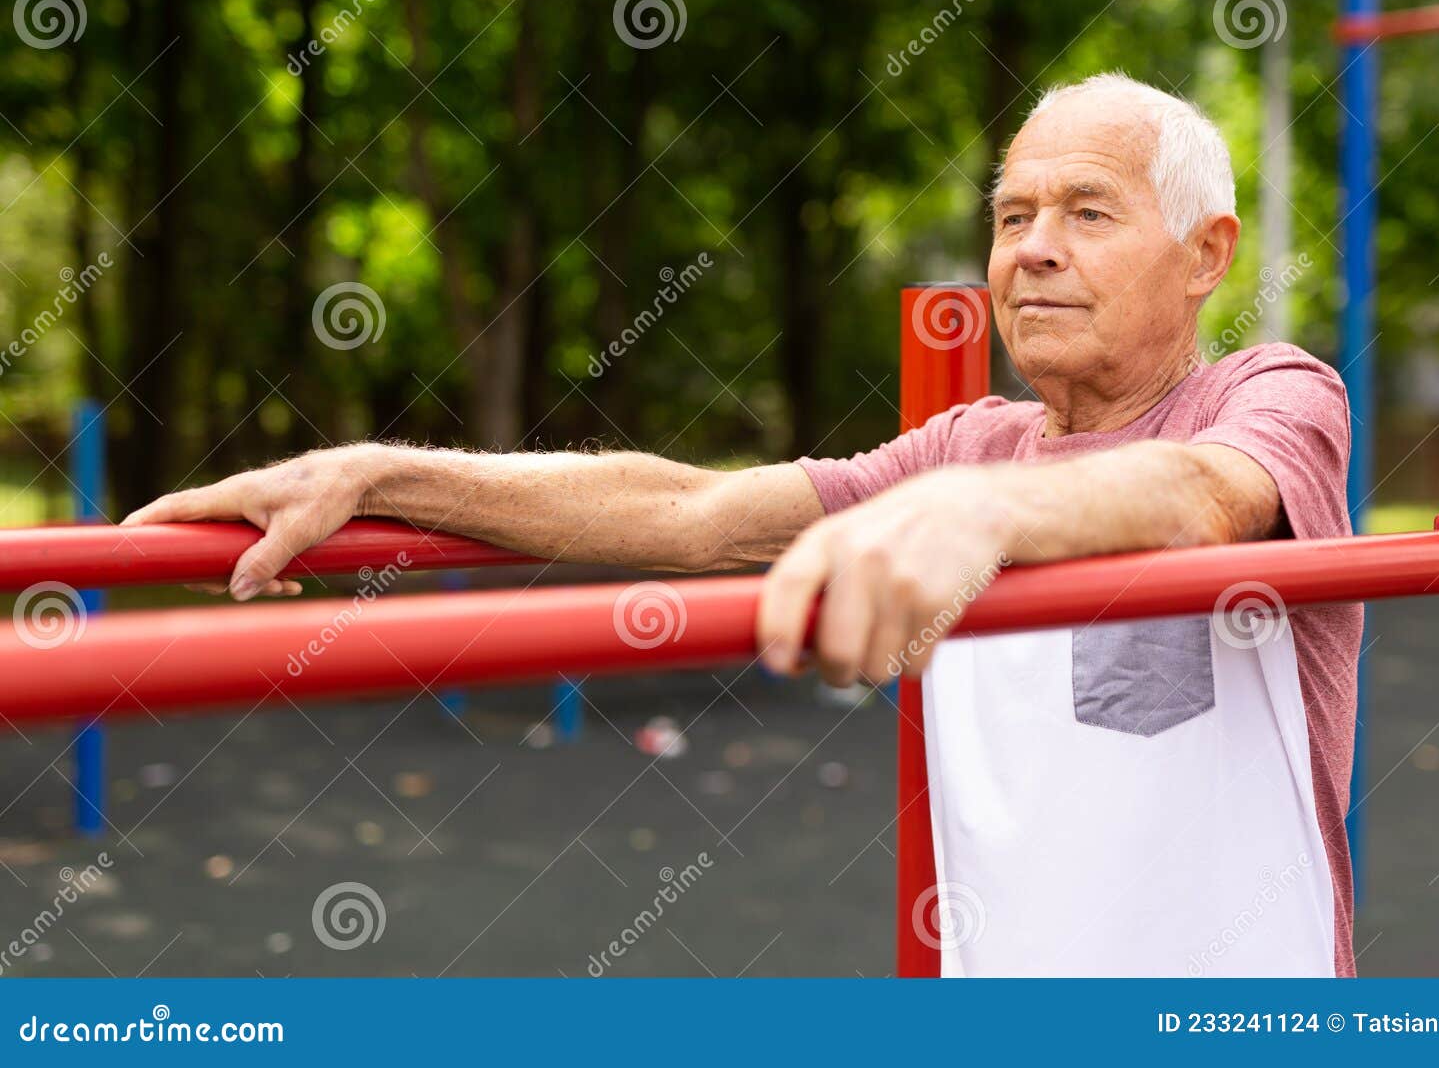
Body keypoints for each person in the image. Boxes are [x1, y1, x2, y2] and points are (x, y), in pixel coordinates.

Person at [125, 72, 1359, 977]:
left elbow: (1205, 496)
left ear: (1205, 255)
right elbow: (691, 509)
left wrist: (978, 510)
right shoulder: (965, 443)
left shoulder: (1266, 395)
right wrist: (378, 471)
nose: (1031, 251)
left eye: (1086, 212)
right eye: (1010, 215)